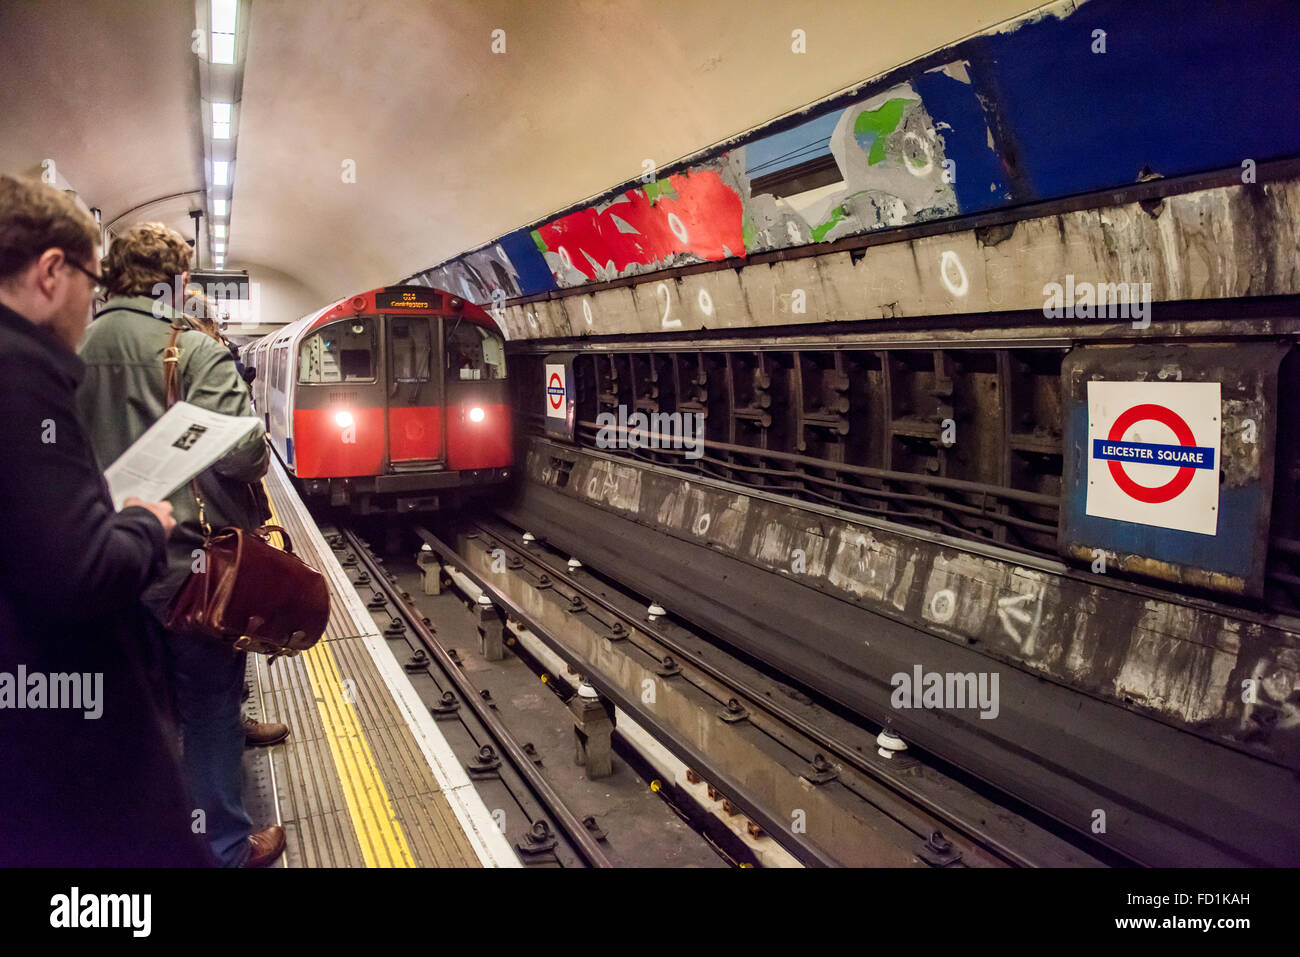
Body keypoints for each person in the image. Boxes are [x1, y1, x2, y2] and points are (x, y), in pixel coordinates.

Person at [0, 174, 214, 866]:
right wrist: (141, 525)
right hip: (63, 736)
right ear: (52, 272)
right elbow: (79, 571)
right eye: (90, 282)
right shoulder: (24, 370)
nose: (93, 304)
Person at [77, 222, 288, 868]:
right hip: (185, 562)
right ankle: (223, 843)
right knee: (208, 696)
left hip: (104, 560)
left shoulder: (70, 346)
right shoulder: (188, 348)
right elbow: (248, 453)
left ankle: (157, 822)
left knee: (148, 698)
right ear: (174, 283)